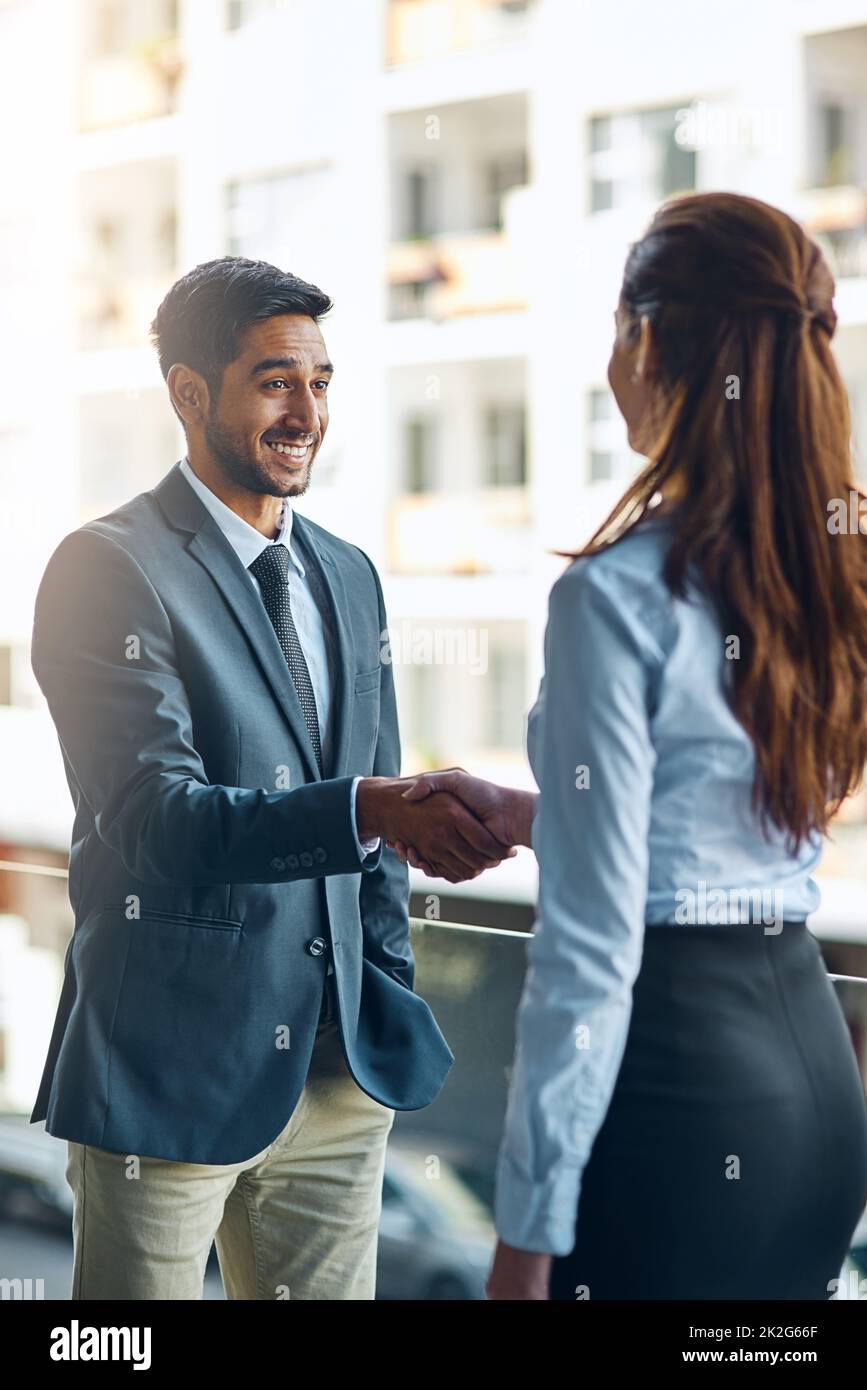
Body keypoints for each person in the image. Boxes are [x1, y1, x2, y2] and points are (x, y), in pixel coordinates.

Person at [392, 192, 867, 1300]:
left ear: (650, 340)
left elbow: (590, 954)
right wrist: (526, 817)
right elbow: (716, 834)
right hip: (812, 1083)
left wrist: (525, 1235)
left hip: (677, 1092)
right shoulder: (825, 575)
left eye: (617, 329)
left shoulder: (614, 597)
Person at [29, 256, 515, 1300]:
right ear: (189, 393)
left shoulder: (349, 572)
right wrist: (370, 810)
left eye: (323, 381)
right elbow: (156, 818)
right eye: (275, 380)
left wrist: (381, 978)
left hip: (341, 1080)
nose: (307, 412)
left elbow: (373, 821)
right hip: (169, 1074)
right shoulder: (104, 568)